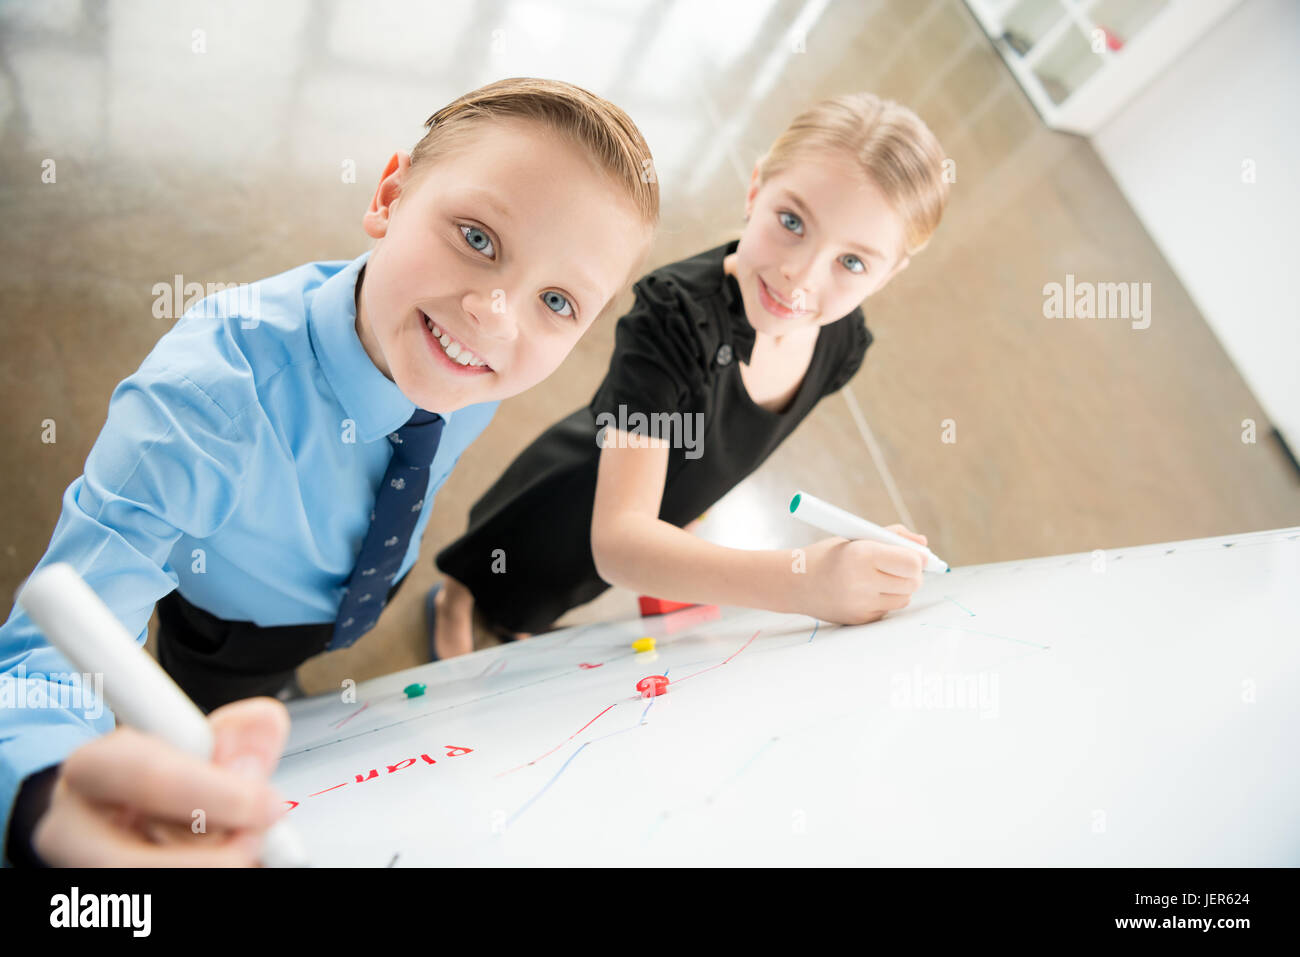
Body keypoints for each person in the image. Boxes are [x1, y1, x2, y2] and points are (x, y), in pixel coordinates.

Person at [0, 77, 659, 866]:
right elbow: (52, 648)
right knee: (215, 714)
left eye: (556, 301)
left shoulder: (462, 361)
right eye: (478, 238)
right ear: (389, 195)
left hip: (333, 603)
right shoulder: (206, 402)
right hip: (225, 629)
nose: (494, 314)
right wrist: (41, 800)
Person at [430, 92, 948, 660]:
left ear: (889, 273)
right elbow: (620, 544)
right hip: (580, 488)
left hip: (666, 509)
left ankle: (514, 616)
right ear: (755, 191)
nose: (800, 275)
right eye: (792, 221)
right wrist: (805, 582)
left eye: (852, 263)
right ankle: (455, 598)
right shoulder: (673, 316)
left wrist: (692, 506)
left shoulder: (843, 343)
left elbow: (737, 442)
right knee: (508, 556)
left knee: (552, 591)